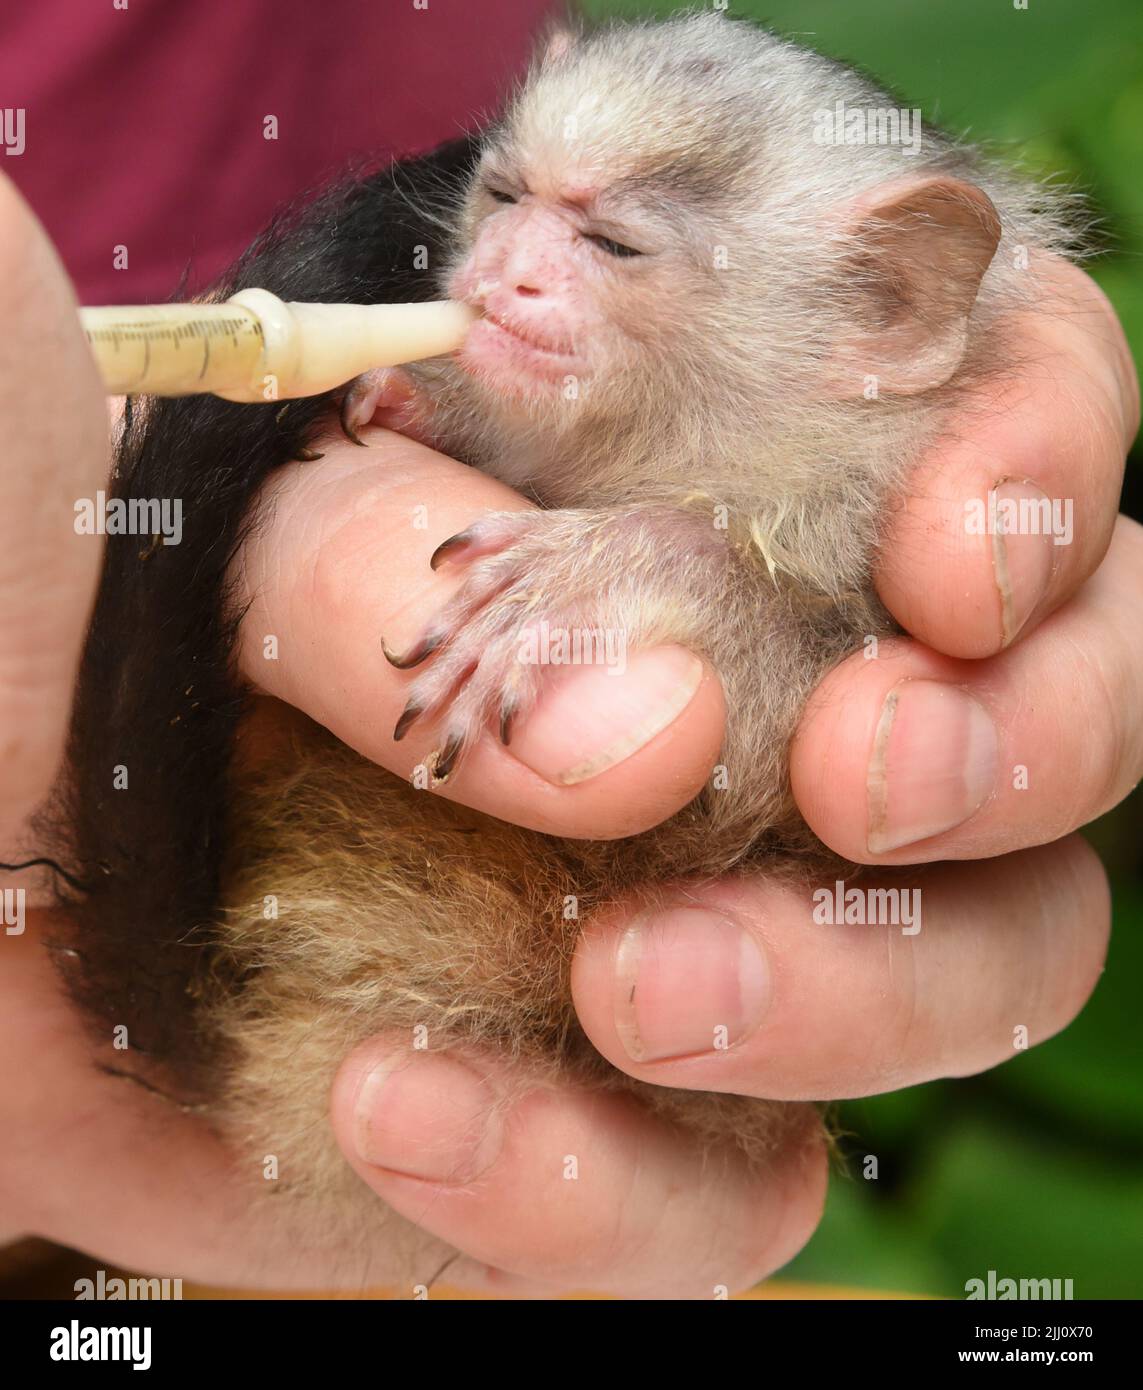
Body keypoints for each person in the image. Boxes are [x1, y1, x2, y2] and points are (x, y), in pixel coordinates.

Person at [0, 8, 1139, 1297]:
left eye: (615, 243)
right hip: (264, 952)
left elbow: (785, 717)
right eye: (498, 194)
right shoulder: (444, 348)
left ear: (880, 309)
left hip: (509, 1039)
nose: (500, 269)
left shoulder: (862, 481)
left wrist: (663, 566)